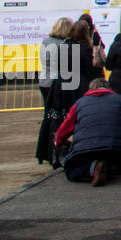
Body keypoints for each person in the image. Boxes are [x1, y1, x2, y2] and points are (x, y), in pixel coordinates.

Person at [53, 77, 121, 186]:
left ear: (90, 89)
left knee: (72, 171)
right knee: (112, 159)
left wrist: (58, 140)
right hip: (115, 147)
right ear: (108, 88)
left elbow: (65, 128)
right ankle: (109, 167)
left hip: (86, 148)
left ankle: (93, 168)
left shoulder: (79, 104)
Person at [36, 17, 78, 168]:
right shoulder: (63, 46)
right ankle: (54, 151)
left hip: (45, 83)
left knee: (49, 117)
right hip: (56, 85)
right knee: (57, 118)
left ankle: (43, 151)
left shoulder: (46, 42)